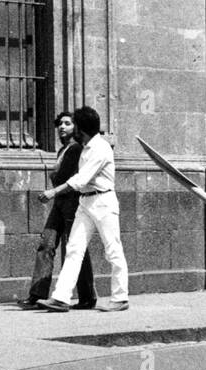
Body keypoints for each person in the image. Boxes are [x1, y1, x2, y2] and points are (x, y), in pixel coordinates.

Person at [36, 106, 130, 312]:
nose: (72, 129)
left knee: (113, 250)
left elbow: (81, 179)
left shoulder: (101, 148)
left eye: (75, 125)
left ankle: (120, 298)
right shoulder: (86, 146)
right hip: (86, 202)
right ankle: (61, 298)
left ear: (82, 128)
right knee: (74, 248)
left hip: (103, 201)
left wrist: (53, 192)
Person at [17, 112, 97, 310]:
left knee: (75, 248)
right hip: (60, 203)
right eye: (60, 123)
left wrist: (53, 191)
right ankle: (37, 294)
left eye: (67, 124)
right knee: (46, 244)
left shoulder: (78, 149)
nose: (62, 127)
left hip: (73, 202)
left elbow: (75, 178)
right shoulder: (64, 149)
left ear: (75, 128)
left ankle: (87, 296)